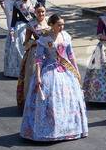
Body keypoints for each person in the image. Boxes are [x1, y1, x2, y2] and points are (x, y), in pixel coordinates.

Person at [20, 14, 89, 142]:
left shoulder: (66, 36)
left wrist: (76, 71)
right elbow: (39, 59)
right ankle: (47, 130)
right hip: (49, 71)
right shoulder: (44, 39)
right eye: (59, 25)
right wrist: (39, 76)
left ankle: (68, 128)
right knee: (50, 101)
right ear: (51, 25)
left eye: (63, 24)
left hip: (65, 71)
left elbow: (71, 55)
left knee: (69, 100)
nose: (61, 27)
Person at [16, 4, 50, 108]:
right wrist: (35, 42)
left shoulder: (49, 22)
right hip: (35, 53)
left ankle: (46, 101)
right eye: (39, 12)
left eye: (43, 11)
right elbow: (26, 43)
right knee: (32, 77)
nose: (41, 14)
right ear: (35, 12)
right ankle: (31, 103)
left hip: (48, 53)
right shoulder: (31, 24)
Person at [5, 0, 38, 78]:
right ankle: (19, 69)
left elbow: (38, 14)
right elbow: (14, 18)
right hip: (22, 25)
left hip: (33, 25)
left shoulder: (34, 2)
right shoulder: (17, 3)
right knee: (18, 45)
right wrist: (11, 28)